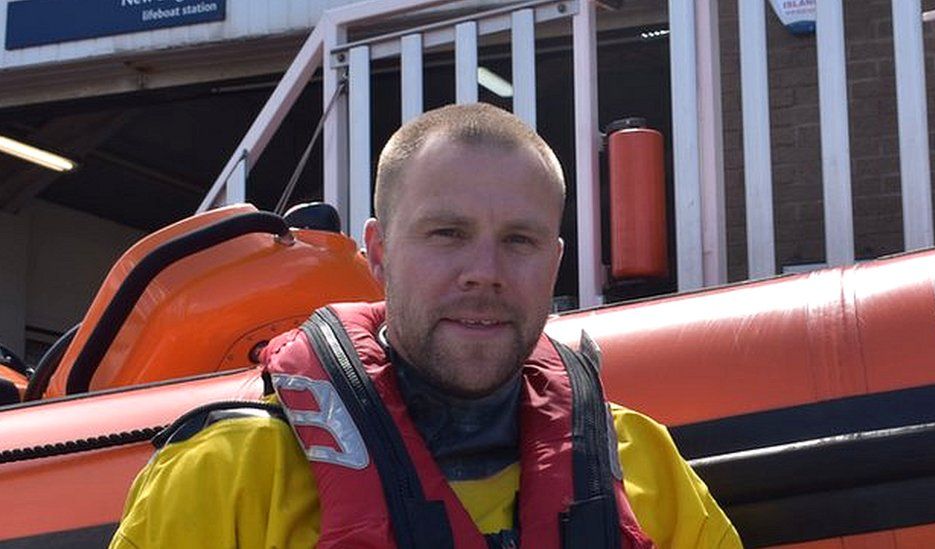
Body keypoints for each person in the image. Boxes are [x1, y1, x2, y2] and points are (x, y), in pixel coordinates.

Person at [110, 103, 741, 548]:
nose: (484, 272)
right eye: (447, 234)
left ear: (553, 265)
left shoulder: (646, 466)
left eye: (519, 240)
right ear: (378, 254)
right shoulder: (227, 480)